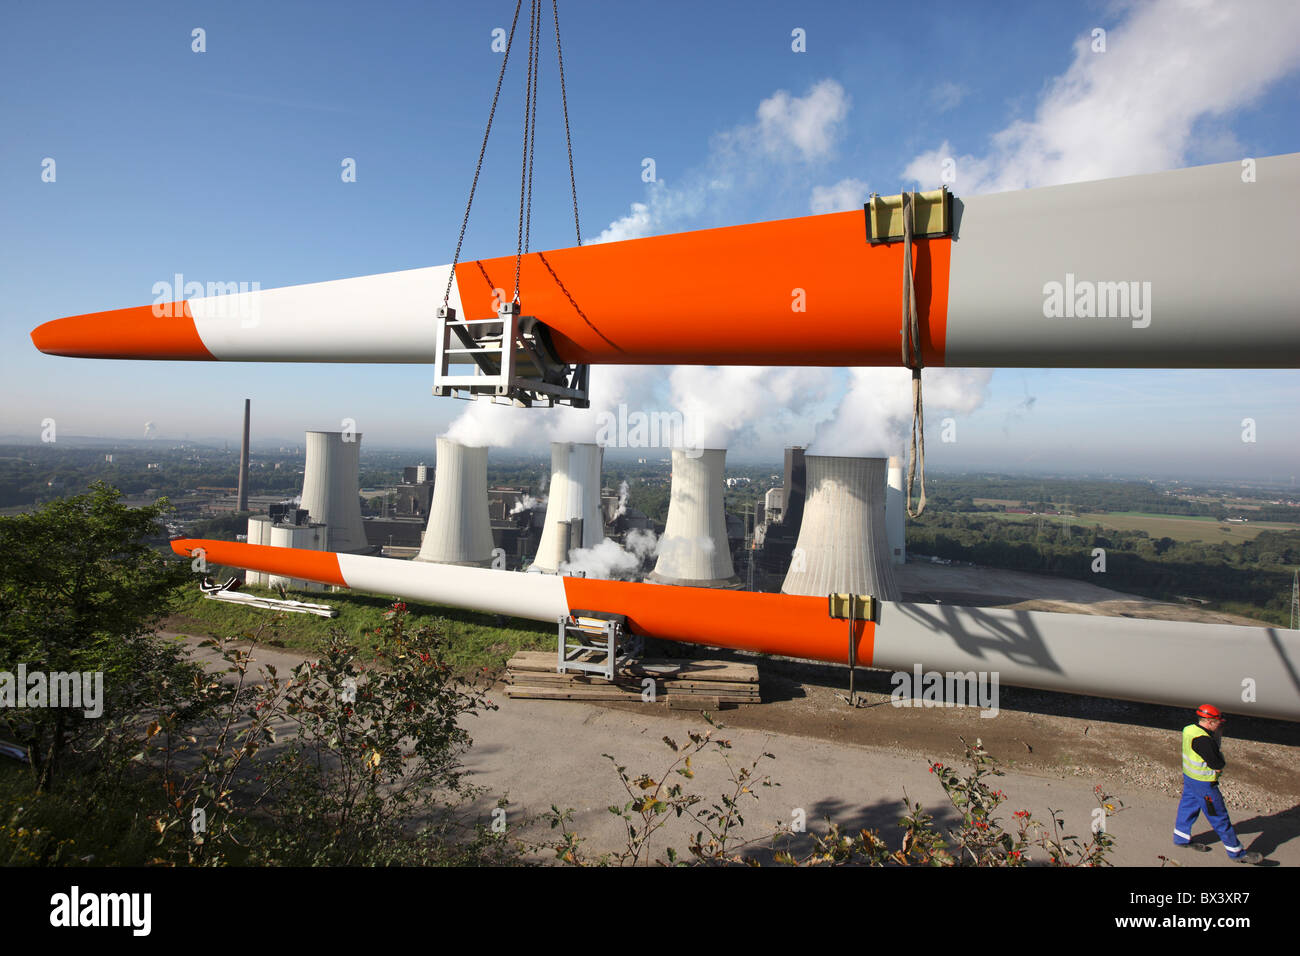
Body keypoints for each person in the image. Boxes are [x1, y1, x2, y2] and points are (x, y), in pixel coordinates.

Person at [1173, 704, 1262, 863]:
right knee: (1219, 817)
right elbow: (1217, 763)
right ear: (1209, 722)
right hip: (1205, 785)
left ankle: (1180, 838)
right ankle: (1237, 853)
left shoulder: (1189, 729)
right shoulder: (1205, 741)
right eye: (1217, 721)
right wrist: (1218, 742)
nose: (1220, 723)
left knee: (1187, 807)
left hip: (1190, 779)